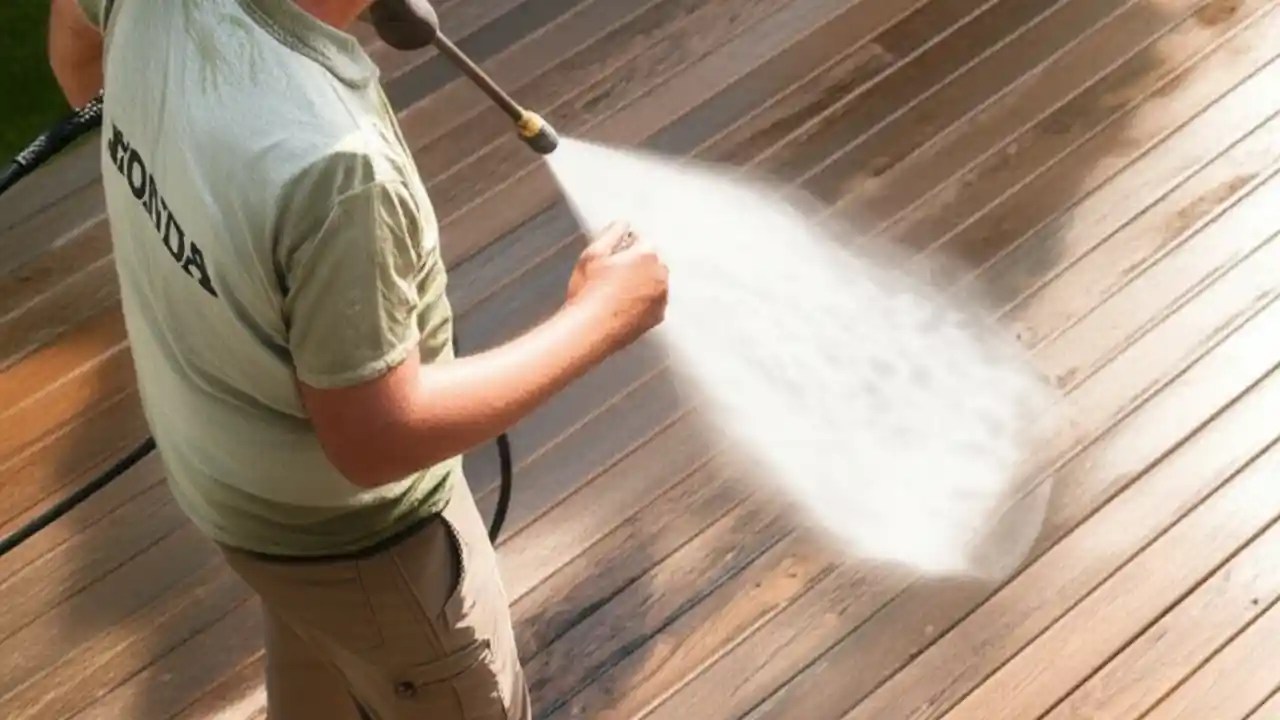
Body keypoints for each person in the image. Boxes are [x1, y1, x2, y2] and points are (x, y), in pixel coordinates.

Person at [47, 1, 669, 718]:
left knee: (323, 674)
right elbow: (377, 437)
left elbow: (75, 43)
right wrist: (599, 317)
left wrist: (182, 162)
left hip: (240, 499)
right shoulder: (339, 168)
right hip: (373, 557)